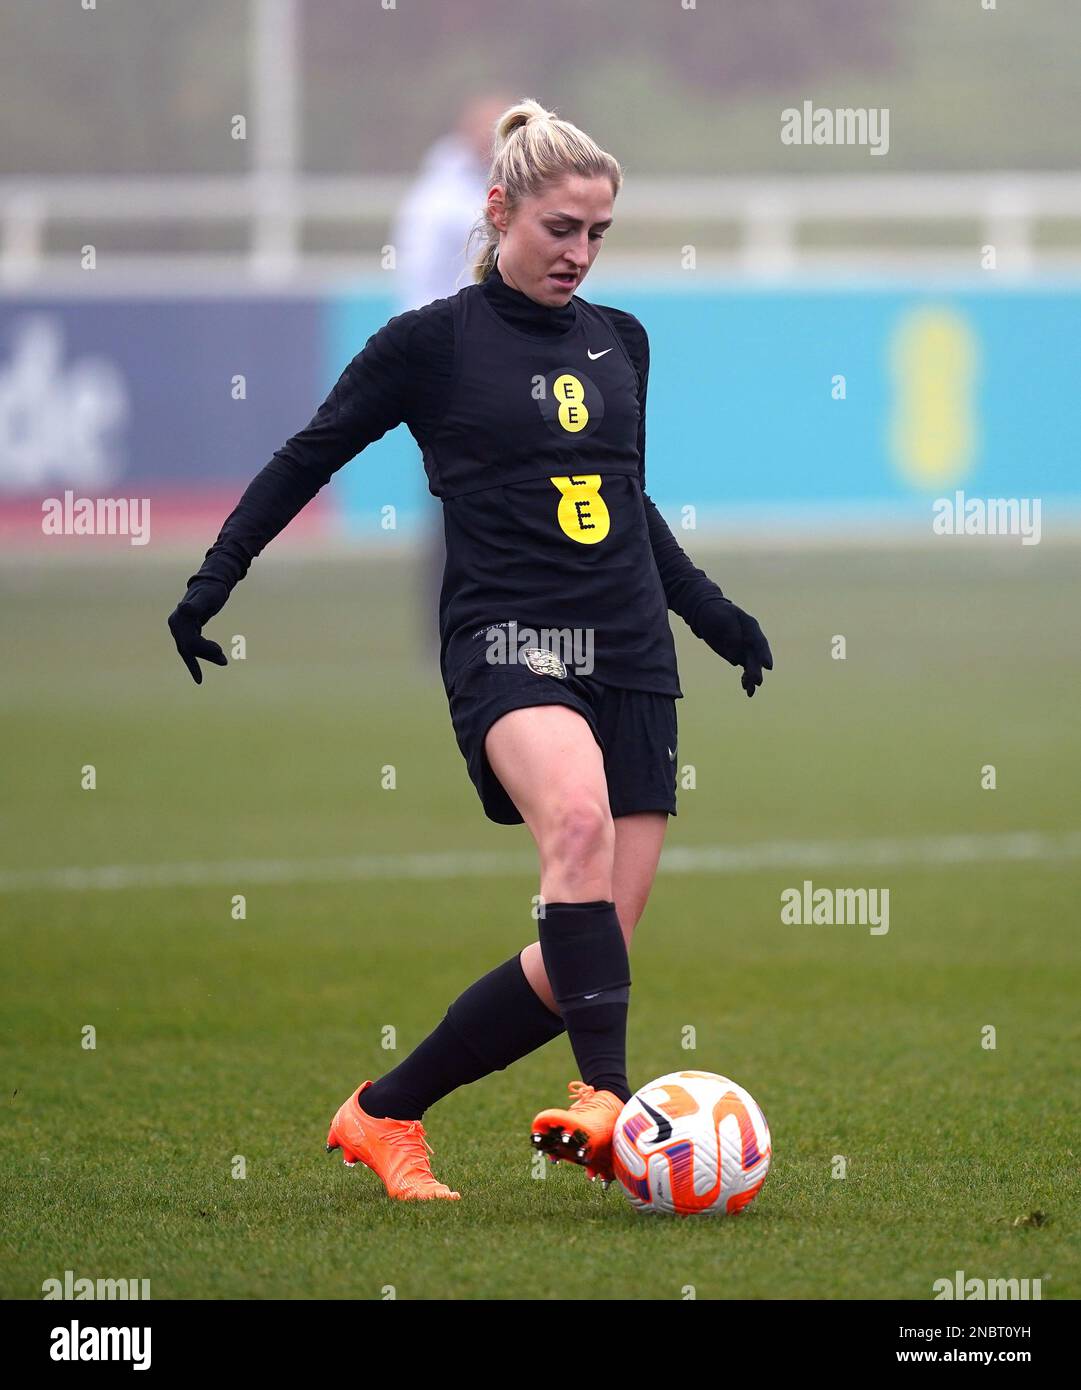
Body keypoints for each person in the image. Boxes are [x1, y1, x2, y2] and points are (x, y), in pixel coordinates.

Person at [167, 98, 773, 1203]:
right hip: (508, 640)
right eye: (559, 228)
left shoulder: (620, 339)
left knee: (589, 946)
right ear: (499, 211)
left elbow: (624, 500)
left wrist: (711, 611)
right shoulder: (430, 343)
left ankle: (385, 1113)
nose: (578, 254)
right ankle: (609, 1101)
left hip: (630, 648)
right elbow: (309, 455)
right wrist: (216, 577)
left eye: (597, 233)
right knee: (576, 829)